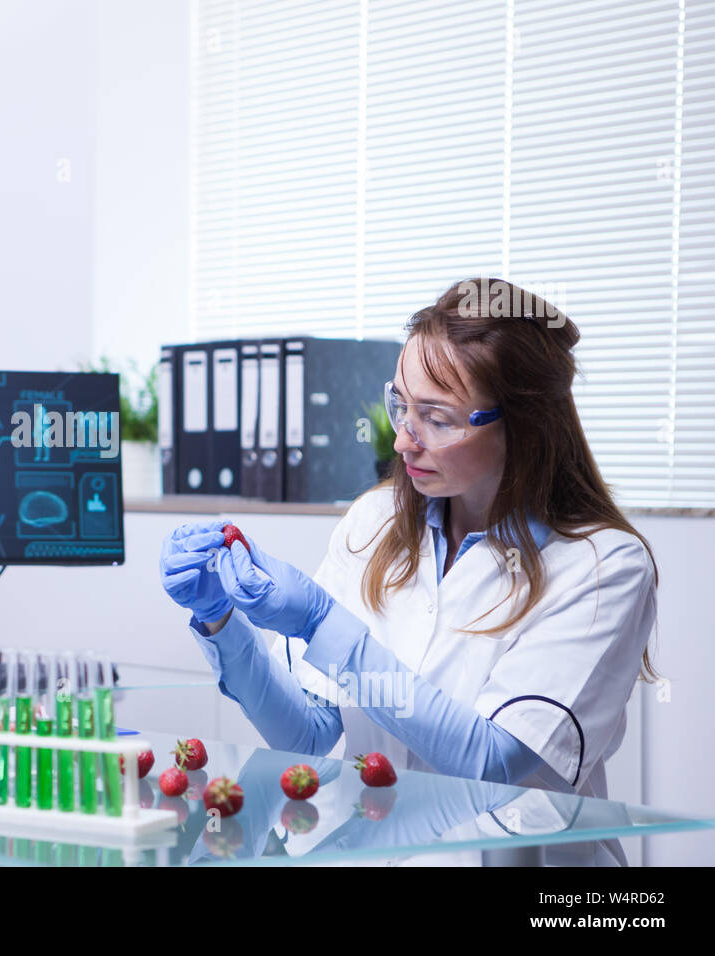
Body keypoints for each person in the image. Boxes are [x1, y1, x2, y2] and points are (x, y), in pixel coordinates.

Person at [160, 278, 660, 866]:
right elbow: (308, 735)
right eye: (400, 404)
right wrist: (220, 618)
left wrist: (323, 625)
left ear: (525, 427)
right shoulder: (375, 520)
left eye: (437, 419)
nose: (402, 439)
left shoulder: (602, 566)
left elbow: (493, 762)